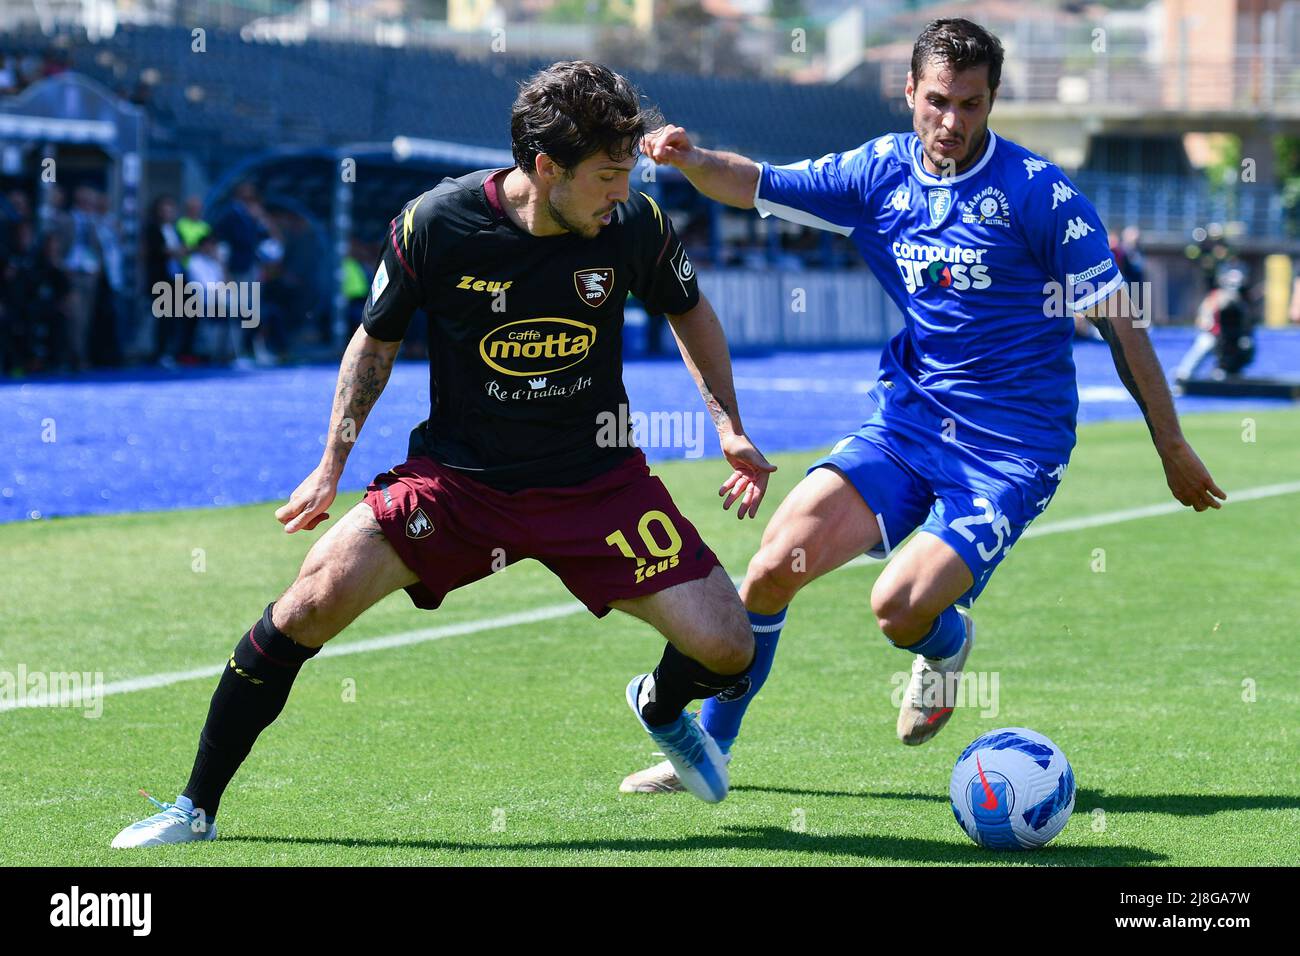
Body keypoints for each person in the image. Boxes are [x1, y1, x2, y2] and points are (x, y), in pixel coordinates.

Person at [111, 60, 776, 848]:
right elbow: (376, 342)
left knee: (729, 649)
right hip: (459, 485)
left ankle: (662, 710)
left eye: (627, 173)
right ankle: (194, 807)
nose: (621, 192)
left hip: (596, 484)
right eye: (606, 175)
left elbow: (689, 311)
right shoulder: (437, 223)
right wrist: (332, 465)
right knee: (310, 600)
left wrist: (727, 424)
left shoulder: (633, 226)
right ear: (544, 167)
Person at [622, 17, 1226, 794]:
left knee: (896, 608)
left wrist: (1170, 443)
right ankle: (707, 749)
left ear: (992, 100)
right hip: (907, 425)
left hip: (1013, 449)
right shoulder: (877, 174)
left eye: (971, 105)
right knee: (772, 566)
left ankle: (942, 649)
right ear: (909, 91)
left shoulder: (1039, 194)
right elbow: (758, 182)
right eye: (937, 101)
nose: (952, 122)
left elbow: (1121, 318)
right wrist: (694, 159)